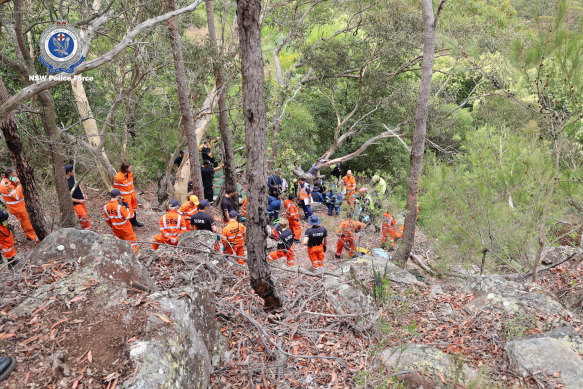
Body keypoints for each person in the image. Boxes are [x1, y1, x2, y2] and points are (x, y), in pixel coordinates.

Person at [0, 169, 39, 242]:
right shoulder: (5, 185)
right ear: (10, 176)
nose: (16, 177)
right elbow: (17, 197)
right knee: (27, 222)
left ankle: (29, 236)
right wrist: (18, 184)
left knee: (25, 221)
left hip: (20, 206)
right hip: (17, 208)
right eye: (15, 176)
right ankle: (34, 238)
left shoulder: (9, 181)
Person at [113, 162, 143, 227]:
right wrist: (120, 198)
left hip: (133, 195)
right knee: (129, 211)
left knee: (134, 208)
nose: (131, 168)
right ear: (126, 169)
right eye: (130, 167)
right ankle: (129, 224)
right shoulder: (118, 177)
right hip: (125, 197)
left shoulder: (130, 174)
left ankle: (134, 222)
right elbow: (116, 189)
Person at [65, 164, 91, 230]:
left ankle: (87, 230)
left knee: (85, 216)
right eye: (72, 170)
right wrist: (79, 201)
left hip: (81, 199)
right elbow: (68, 197)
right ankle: (87, 231)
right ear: (69, 172)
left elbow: (78, 185)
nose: (74, 171)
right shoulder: (65, 183)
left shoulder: (73, 177)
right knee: (84, 217)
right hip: (76, 203)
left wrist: (83, 194)